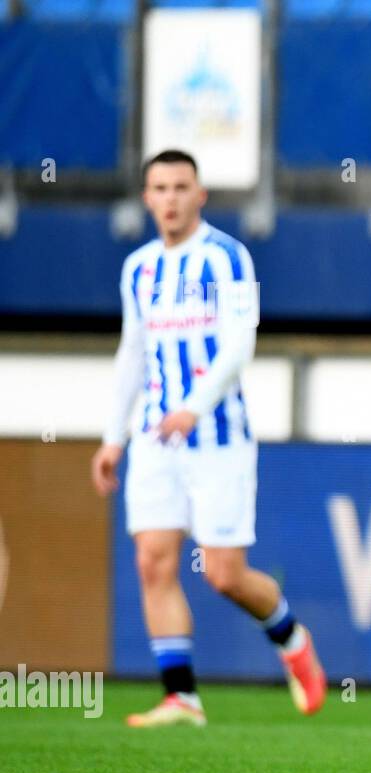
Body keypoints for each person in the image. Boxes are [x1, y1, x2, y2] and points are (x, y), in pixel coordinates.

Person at [90, 149, 326, 728]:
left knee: (222, 573)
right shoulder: (139, 269)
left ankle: (293, 640)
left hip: (219, 439)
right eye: (159, 188)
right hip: (153, 441)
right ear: (146, 198)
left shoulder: (226, 257)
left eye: (180, 187)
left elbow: (239, 343)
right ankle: (182, 697)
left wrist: (194, 407)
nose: (169, 198)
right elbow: (133, 354)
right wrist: (111, 438)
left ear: (201, 195)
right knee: (152, 561)